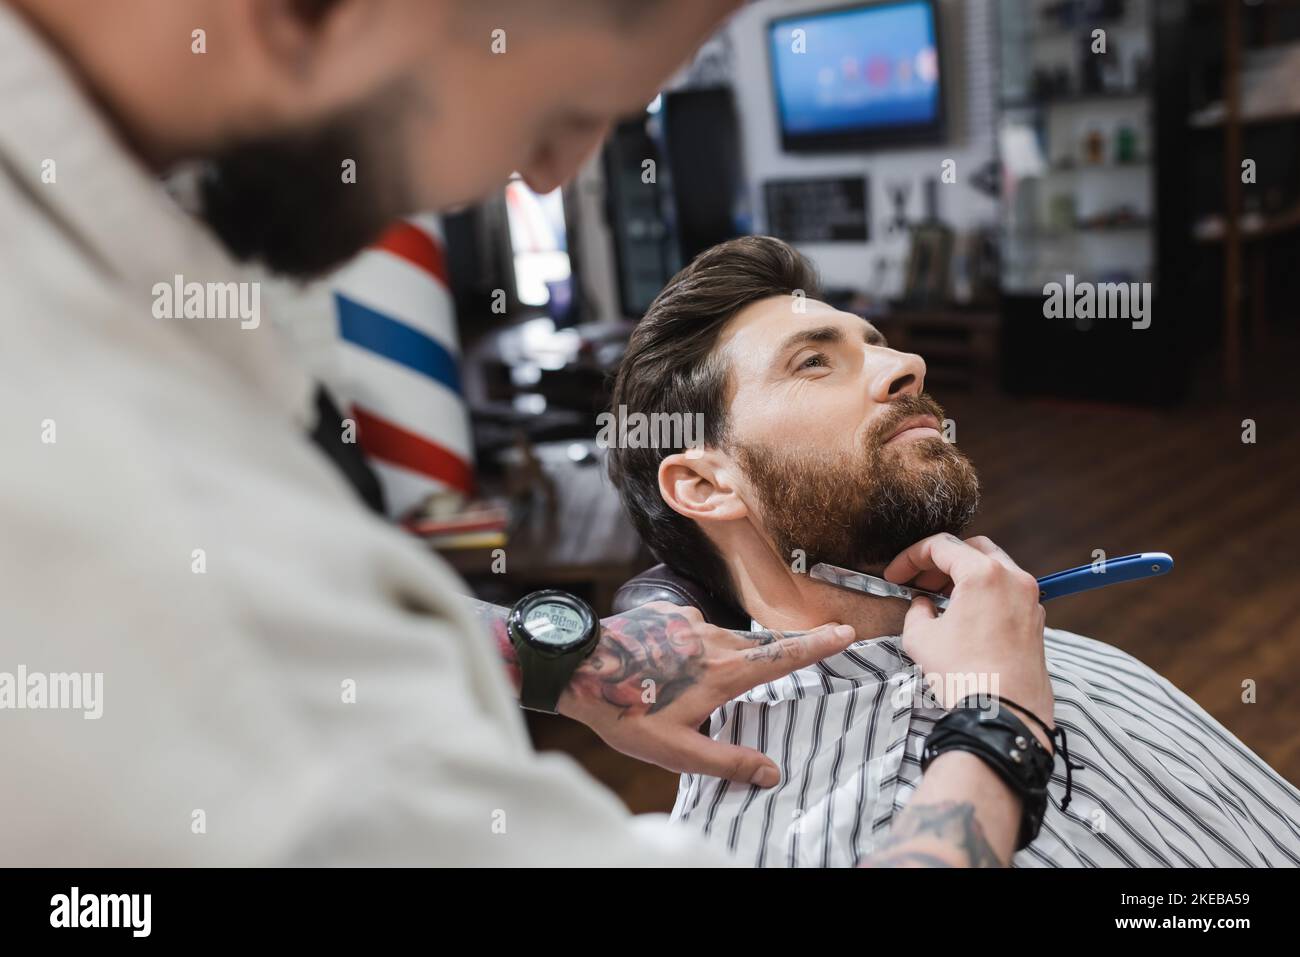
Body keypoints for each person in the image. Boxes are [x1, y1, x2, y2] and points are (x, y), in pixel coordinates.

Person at [1, 0, 1036, 867]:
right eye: (567, 112)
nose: (544, 179)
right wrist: (997, 735)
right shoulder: (90, 461)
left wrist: (560, 659)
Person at [605, 236, 1300, 867]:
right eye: (814, 361)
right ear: (702, 483)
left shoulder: (998, 628)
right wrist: (1003, 718)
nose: (909, 363)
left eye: (877, 343)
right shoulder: (819, 824)